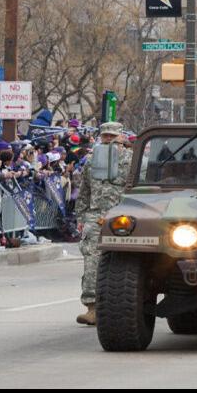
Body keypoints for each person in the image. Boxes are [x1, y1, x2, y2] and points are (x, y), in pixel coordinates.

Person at [74, 122, 133, 326]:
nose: (108, 140)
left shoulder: (132, 160)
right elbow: (84, 191)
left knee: (124, 262)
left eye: (112, 136)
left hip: (123, 216)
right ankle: (92, 308)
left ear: (121, 137)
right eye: (105, 136)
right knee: (91, 259)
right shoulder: (91, 161)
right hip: (95, 214)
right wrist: (81, 217)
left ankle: (125, 307)